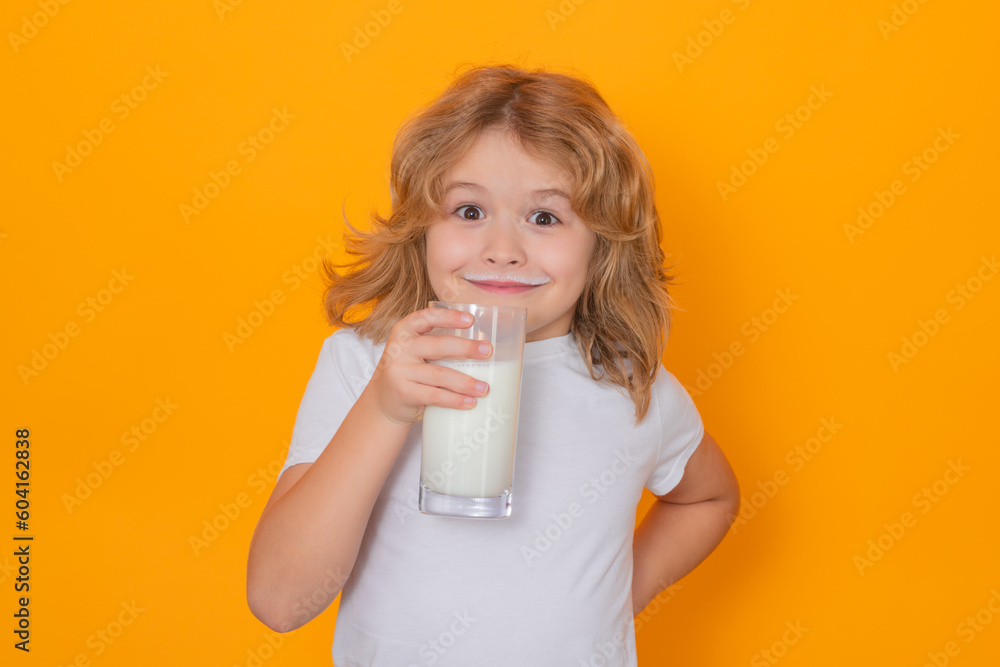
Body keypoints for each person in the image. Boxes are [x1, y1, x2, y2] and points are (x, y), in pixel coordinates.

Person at [246, 62, 740, 665]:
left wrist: (617, 599)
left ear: (603, 245)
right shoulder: (367, 366)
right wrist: (385, 408)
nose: (502, 251)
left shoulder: (631, 388)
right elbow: (279, 599)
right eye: (470, 211)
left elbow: (707, 498)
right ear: (421, 227)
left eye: (545, 217)